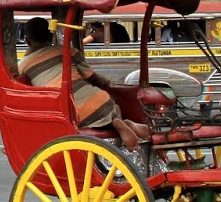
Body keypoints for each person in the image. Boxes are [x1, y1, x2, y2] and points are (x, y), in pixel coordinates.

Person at [15, 16, 148, 152]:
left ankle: (118, 123)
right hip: (101, 101)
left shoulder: (22, 65)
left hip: (74, 111)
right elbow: (93, 78)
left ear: (26, 40)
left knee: (83, 112)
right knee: (114, 106)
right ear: (50, 36)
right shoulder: (69, 51)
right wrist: (106, 82)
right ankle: (119, 121)